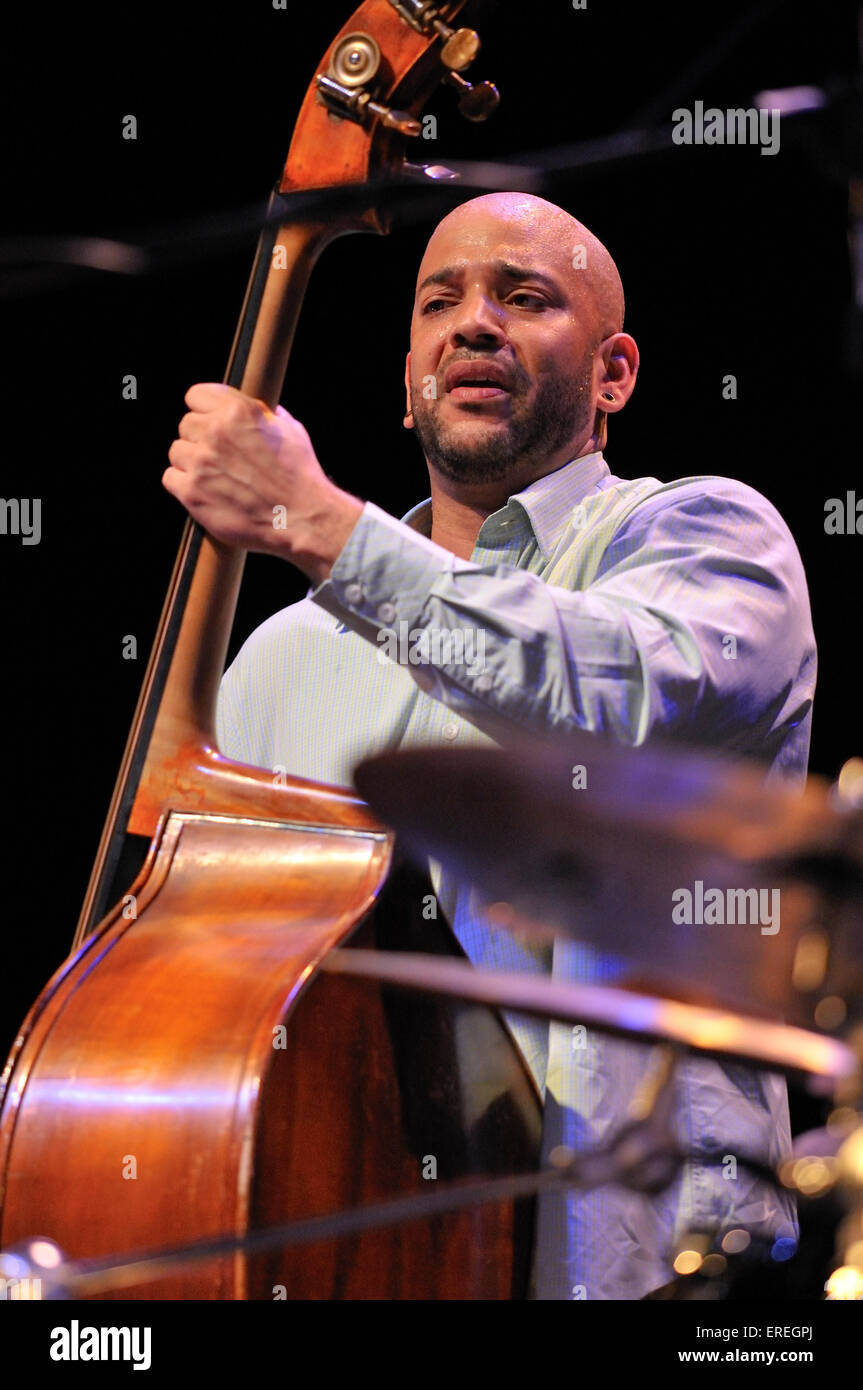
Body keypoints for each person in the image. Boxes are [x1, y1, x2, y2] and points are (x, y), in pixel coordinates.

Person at [163, 192, 815, 1299]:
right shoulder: (279, 659)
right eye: (438, 302)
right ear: (405, 377)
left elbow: (599, 693)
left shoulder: (705, 541)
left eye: (523, 296)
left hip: (642, 1262)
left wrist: (321, 526)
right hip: (367, 1253)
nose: (473, 324)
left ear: (612, 374)